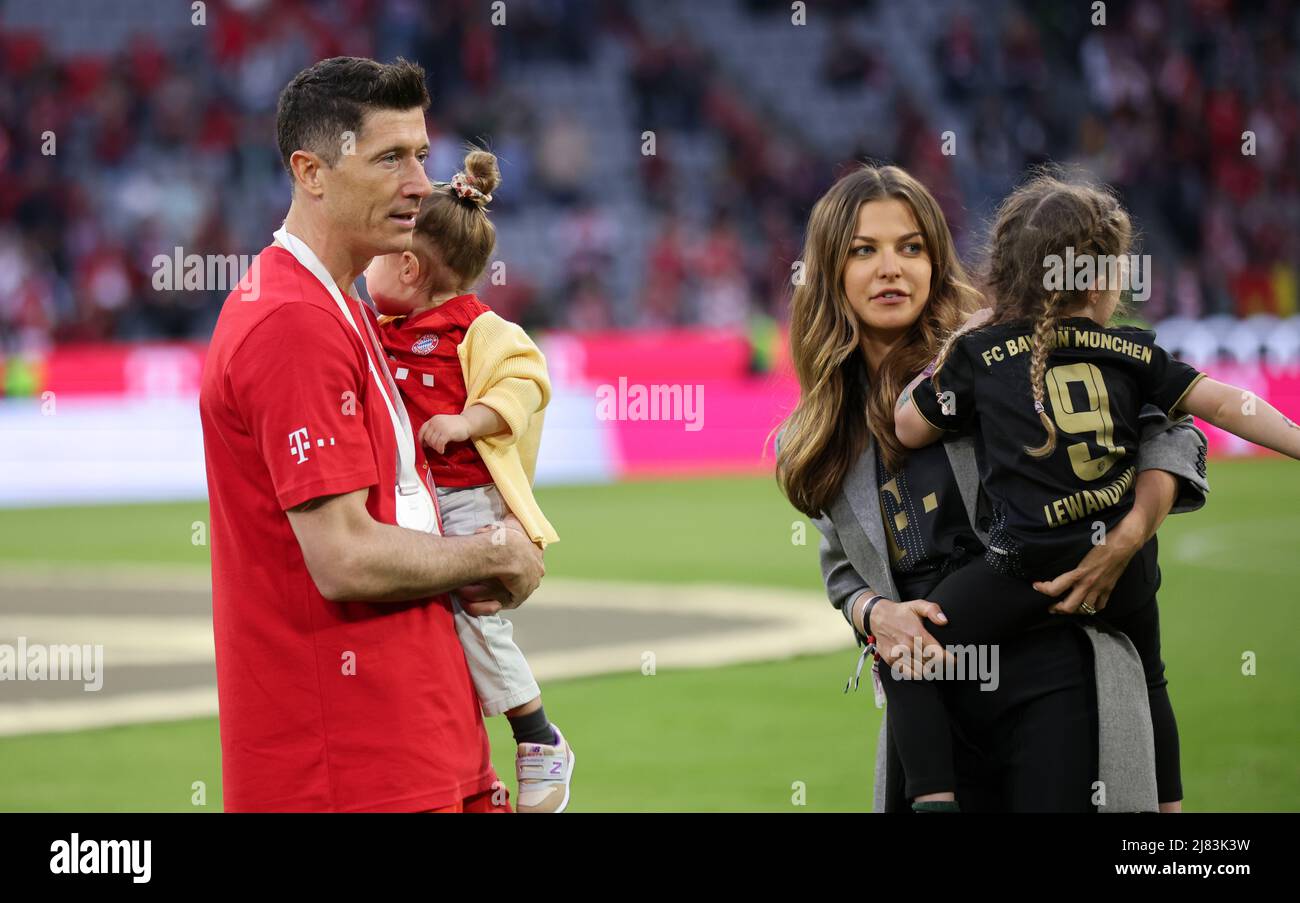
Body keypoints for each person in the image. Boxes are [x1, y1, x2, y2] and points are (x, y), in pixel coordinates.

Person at [776, 164, 1210, 812]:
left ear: (936, 260)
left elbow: (1171, 429)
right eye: (864, 249)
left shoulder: (996, 351)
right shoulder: (815, 430)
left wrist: (1131, 529)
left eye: (910, 246)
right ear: (829, 269)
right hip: (927, 708)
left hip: (1048, 675)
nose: (890, 267)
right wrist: (876, 614)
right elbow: (843, 572)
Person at [890, 171, 1300, 811]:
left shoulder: (984, 354)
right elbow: (1226, 404)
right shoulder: (1132, 350)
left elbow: (907, 425)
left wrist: (959, 340)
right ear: (1103, 277)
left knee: (908, 651)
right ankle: (1168, 821)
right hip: (1126, 565)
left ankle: (935, 802)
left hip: (1027, 568)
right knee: (1152, 678)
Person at [198, 56, 544, 812]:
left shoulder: (345, 309)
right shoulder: (291, 320)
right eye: (390, 157)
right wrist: (492, 551)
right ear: (311, 172)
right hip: (351, 771)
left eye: (422, 154)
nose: (420, 182)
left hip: (410, 749)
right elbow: (345, 556)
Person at [365, 146, 575, 813]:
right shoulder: (382, 327)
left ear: (407, 265)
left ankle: (537, 734)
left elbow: (527, 382)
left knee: (476, 613)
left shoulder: (476, 327)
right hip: (420, 498)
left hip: (467, 499)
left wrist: (466, 419)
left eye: (378, 254)